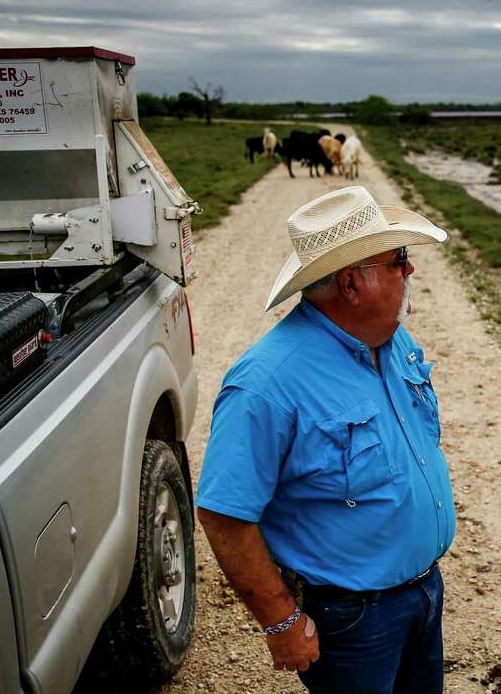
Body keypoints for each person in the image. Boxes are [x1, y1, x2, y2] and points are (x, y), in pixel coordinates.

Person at [196, 186, 456, 693]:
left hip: (424, 592)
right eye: (398, 259)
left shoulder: (392, 339)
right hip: (353, 622)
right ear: (352, 283)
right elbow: (224, 515)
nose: (410, 269)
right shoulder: (267, 384)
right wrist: (281, 621)